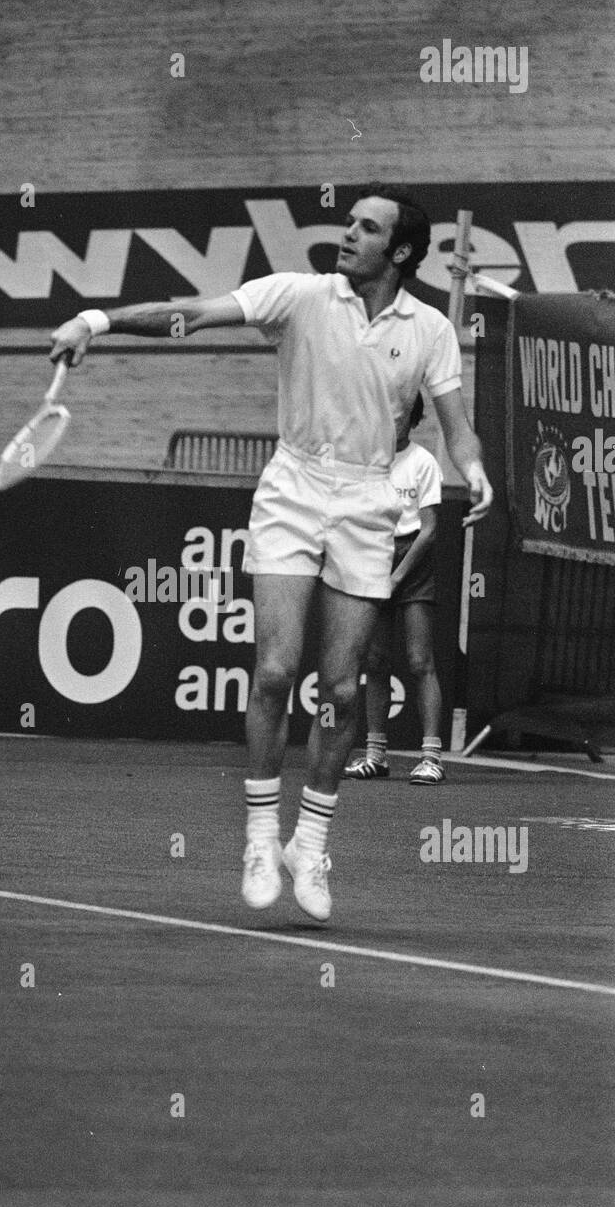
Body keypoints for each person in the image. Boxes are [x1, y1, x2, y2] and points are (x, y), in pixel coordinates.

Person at [49, 185, 493, 923]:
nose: (347, 234)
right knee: (277, 672)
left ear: (403, 252)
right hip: (292, 489)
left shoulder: (431, 330)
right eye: (349, 222)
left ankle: (309, 843)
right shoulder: (298, 296)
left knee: (345, 691)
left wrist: (473, 470)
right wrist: (97, 319)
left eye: (366, 228)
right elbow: (188, 315)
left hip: (368, 499)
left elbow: (458, 425)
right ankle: (261, 835)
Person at [344, 393, 446, 785]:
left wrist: (398, 576)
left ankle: (432, 758)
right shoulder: (370, 459)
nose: (394, 420)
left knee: (421, 661)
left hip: (412, 565)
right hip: (375, 559)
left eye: (402, 415)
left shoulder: (423, 463)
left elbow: (431, 529)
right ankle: (375, 756)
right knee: (375, 663)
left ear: (413, 419)